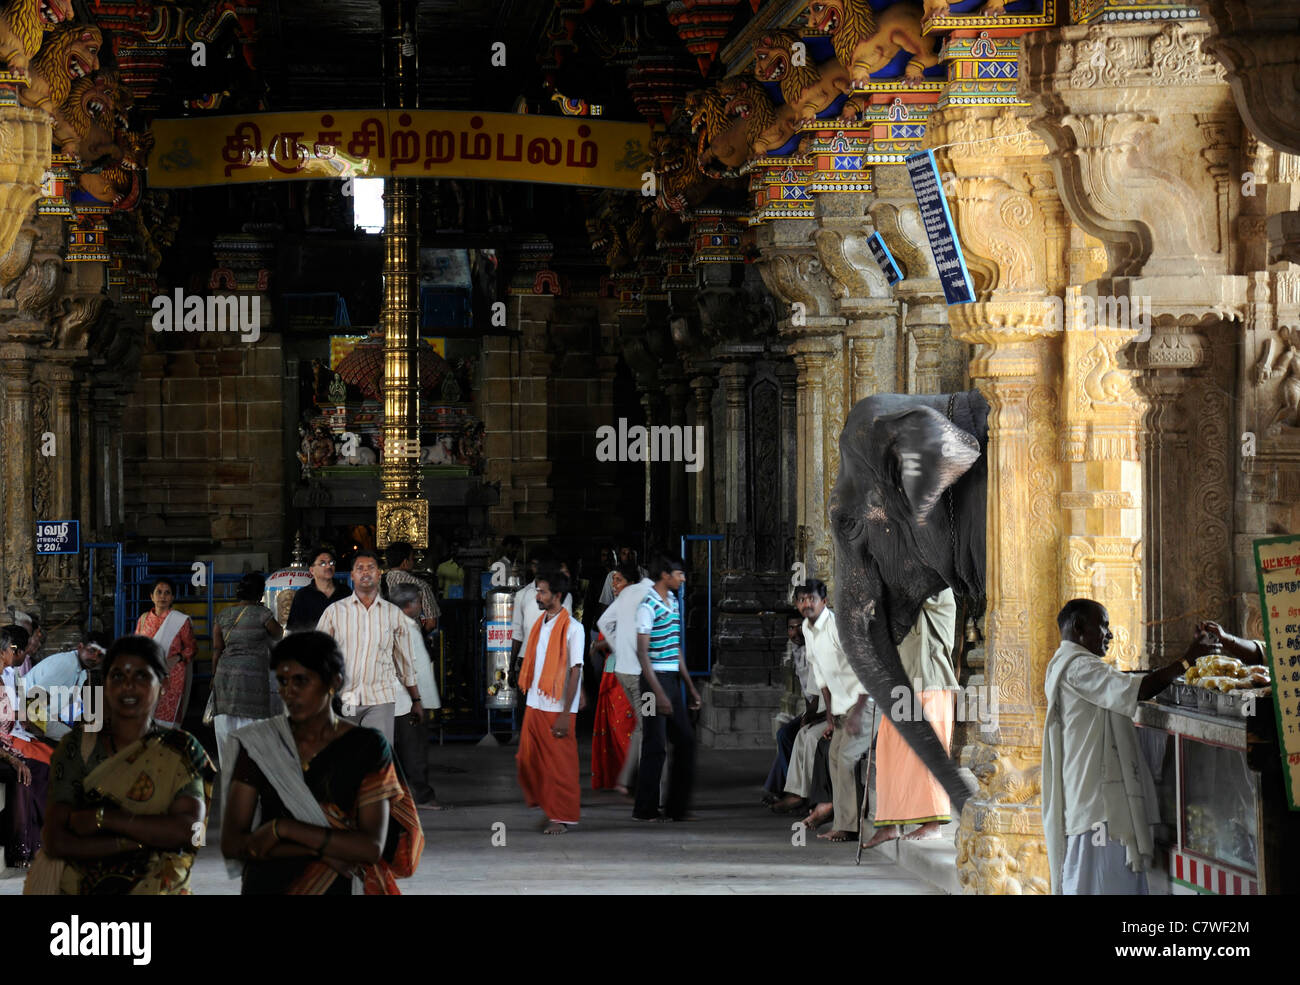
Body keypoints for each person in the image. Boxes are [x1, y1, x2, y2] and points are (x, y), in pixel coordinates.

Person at [220, 632, 424, 894]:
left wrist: (282, 828)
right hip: (271, 884)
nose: (289, 692)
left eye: (301, 681)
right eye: (282, 682)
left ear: (333, 682)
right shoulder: (260, 744)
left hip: (337, 887)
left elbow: (370, 847)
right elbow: (234, 843)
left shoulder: (367, 747)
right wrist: (325, 849)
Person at [1042, 598, 1205, 895]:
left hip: (1092, 801)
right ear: (1079, 627)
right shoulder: (1079, 668)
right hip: (1099, 809)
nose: (1110, 634)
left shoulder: (1065, 664)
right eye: (1103, 625)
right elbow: (1137, 689)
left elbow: (1123, 682)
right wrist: (1186, 660)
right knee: (1104, 884)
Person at [32, 635, 215, 895]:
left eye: (141, 676)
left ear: (163, 684)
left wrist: (102, 819)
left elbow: (191, 833)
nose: (128, 686)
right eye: (117, 676)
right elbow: (55, 840)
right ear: (105, 685)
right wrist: (147, 836)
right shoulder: (76, 749)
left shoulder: (183, 748)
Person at [864, 588, 961, 847]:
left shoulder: (938, 587)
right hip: (902, 684)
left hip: (930, 681)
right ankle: (890, 825)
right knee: (888, 751)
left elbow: (907, 597)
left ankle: (932, 824)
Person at [794, 580, 872, 842]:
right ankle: (843, 821)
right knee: (835, 757)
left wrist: (859, 713)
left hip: (865, 703)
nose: (807, 604)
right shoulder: (807, 629)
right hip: (841, 708)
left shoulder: (838, 628)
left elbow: (863, 669)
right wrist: (829, 716)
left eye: (812, 599)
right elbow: (821, 677)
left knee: (848, 757)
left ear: (824, 601)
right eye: (802, 600)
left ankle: (849, 827)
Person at [316, 551, 421, 743]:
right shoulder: (334, 612)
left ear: (379, 574)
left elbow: (404, 661)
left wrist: (416, 699)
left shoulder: (393, 614)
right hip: (344, 699)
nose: (366, 572)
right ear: (352, 575)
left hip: (380, 699)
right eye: (360, 568)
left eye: (371, 568)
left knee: (377, 759)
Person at [633, 554, 702, 822]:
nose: (682, 578)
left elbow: (675, 650)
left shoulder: (673, 602)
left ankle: (677, 808)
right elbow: (642, 654)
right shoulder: (647, 606)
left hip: (671, 681)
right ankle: (645, 808)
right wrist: (658, 694)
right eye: (679, 573)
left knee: (685, 740)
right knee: (655, 744)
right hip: (652, 684)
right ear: (664, 574)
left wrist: (690, 687)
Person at [515, 570, 585, 834]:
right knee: (527, 759)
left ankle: (562, 816)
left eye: (542, 591)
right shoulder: (540, 624)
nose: (538, 596)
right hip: (536, 701)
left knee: (560, 765)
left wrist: (567, 714)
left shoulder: (574, 629)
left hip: (559, 706)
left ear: (557, 595)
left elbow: (575, 670)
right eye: (537, 590)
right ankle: (548, 806)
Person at [210, 573, 284, 769]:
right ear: (260, 593)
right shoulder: (263, 614)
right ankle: (250, 773)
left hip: (224, 677)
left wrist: (213, 676)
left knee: (226, 725)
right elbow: (279, 634)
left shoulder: (223, 615)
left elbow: (217, 649)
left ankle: (229, 769)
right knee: (251, 726)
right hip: (252, 680)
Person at [591, 562, 650, 793]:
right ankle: (633, 779)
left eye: (619, 580)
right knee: (635, 727)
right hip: (626, 674)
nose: (614, 585)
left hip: (635, 675)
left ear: (632, 583)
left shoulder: (639, 604)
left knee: (636, 727)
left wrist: (605, 643)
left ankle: (633, 779)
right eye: (613, 580)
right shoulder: (625, 604)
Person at [388, 583, 445, 810]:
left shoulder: (388, 624)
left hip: (394, 699)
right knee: (415, 749)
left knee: (399, 749)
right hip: (410, 700)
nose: (421, 606)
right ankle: (422, 796)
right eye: (420, 602)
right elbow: (418, 668)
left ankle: (398, 795)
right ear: (409, 605)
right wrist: (422, 701)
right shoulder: (407, 628)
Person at [1, 625, 52, 869]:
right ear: (12, 650)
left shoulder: (9, 673)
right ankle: (30, 845)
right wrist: (14, 757)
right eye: (23, 650)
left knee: (53, 762)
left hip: (12, 735)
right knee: (37, 769)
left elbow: (13, 713)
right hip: (7, 740)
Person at [763, 612, 820, 802]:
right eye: (790, 628)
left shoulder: (816, 649)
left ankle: (795, 793)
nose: (795, 632)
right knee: (785, 735)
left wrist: (809, 715)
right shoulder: (795, 651)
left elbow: (821, 690)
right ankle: (779, 787)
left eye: (799, 627)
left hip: (822, 709)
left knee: (790, 735)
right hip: (810, 708)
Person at [18, 630, 110, 741]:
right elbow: (32, 701)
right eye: (92, 651)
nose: (95, 658)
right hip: (23, 714)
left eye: (100, 655)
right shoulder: (67, 665)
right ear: (80, 647)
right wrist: (37, 730)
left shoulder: (82, 672)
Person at [134, 578, 197, 730]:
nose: (162, 596)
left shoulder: (180, 621)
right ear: (151, 596)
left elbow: (192, 648)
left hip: (172, 676)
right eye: (159, 592)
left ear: (173, 597)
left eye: (167, 593)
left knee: (165, 724)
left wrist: (178, 657)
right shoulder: (143, 620)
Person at [287, 548, 353, 633]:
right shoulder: (303, 595)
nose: (329, 566)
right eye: (322, 563)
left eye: (331, 562)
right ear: (312, 570)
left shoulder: (345, 592)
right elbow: (295, 629)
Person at [383, 541, 440, 633]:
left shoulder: (376, 585)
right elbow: (432, 623)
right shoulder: (421, 585)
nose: (414, 562)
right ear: (405, 562)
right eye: (412, 559)